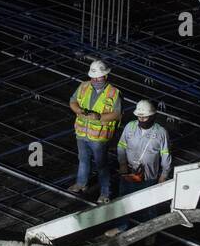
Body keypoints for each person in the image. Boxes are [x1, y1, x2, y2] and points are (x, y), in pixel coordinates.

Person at [68, 60, 122, 204]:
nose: (96, 80)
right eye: (94, 77)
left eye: (99, 77)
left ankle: (105, 193)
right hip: (81, 133)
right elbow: (72, 101)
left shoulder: (113, 93)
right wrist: (78, 110)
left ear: (105, 76)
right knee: (83, 160)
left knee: (101, 165)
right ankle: (81, 184)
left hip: (99, 137)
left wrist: (99, 117)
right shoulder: (83, 86)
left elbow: (117, 114)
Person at [115, 100, 173, 230]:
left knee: (149, 205)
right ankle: (121, 227)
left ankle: (150, 231)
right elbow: (121, 146)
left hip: (149, 176)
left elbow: (165, 154)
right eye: (139, 117)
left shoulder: (161, 133)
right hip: (128, 172)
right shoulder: (130, 127)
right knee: (122, 201)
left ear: (152, 116)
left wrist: (163, 175)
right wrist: (122, 164)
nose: (142, 119)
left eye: (145, 117)